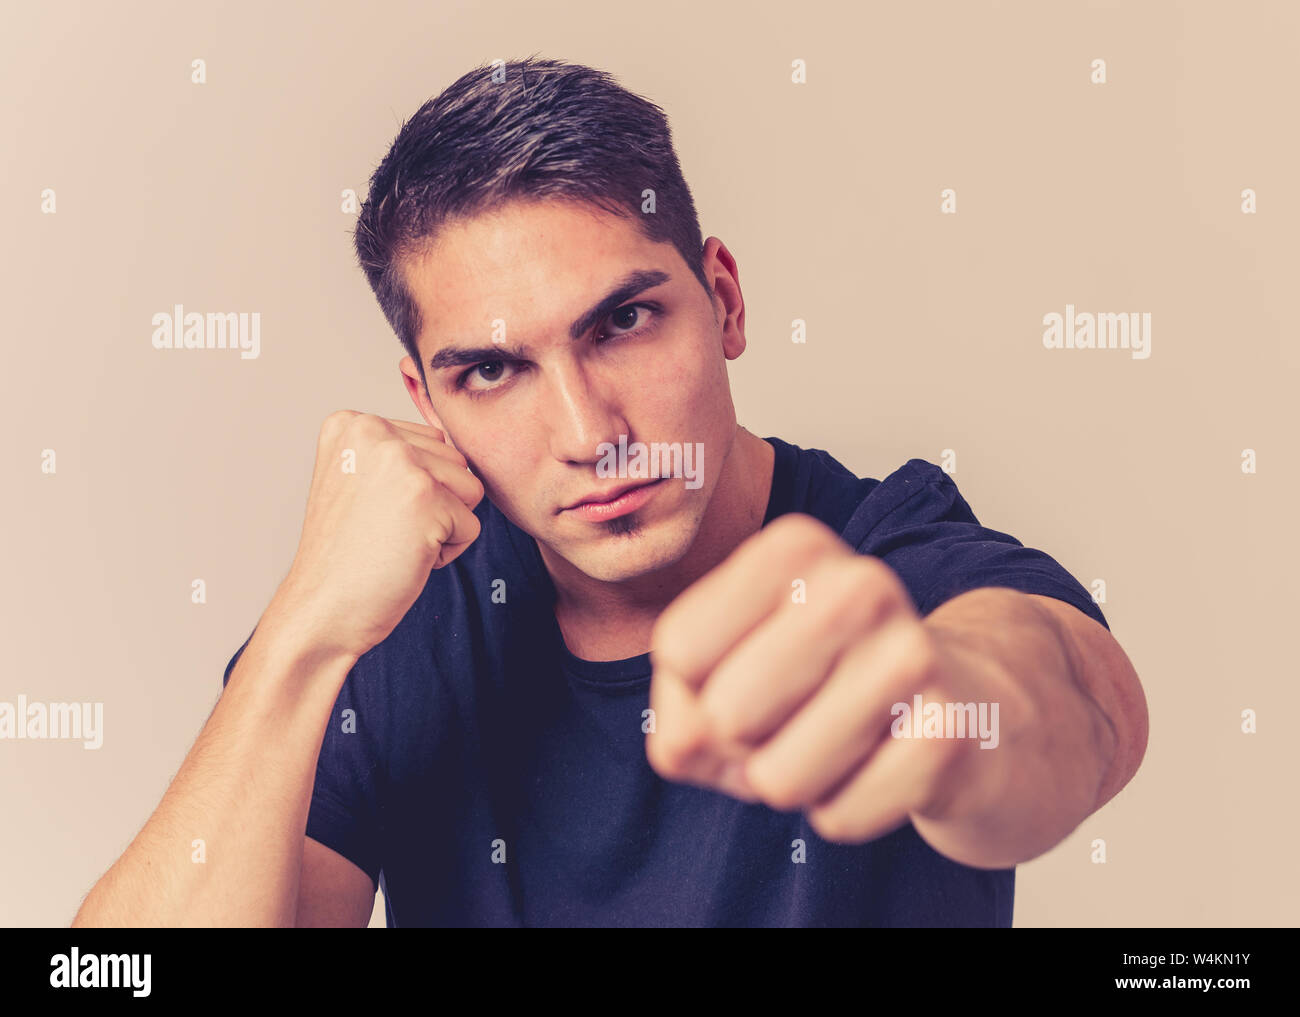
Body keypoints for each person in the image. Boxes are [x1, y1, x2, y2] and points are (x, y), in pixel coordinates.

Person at [73, 55, 1147, 928]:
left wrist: (932, 706)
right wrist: (300, 636)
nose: (590, 435)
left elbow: (1079, 713)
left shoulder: (887, 554)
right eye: (493, 371)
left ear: (722, 300)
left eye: (622, 322)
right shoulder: (403, 626)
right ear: (427, 402)